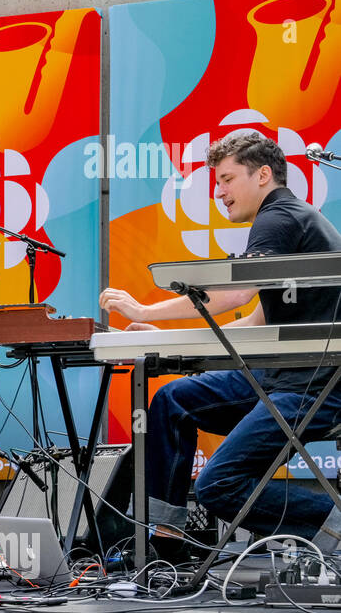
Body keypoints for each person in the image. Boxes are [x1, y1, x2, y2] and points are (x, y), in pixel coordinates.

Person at [100, 132, 341, 548]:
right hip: (281, 377)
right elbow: (254, 320)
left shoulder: (278, 217)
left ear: (263, 174)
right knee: (173, 401)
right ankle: (167, 539)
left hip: (311, 388)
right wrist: (174, 339)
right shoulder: (292, 221)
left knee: (218, 486)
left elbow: (233, 294)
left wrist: (142, 312)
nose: (219, 192)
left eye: (227, 179)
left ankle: (332, 521)